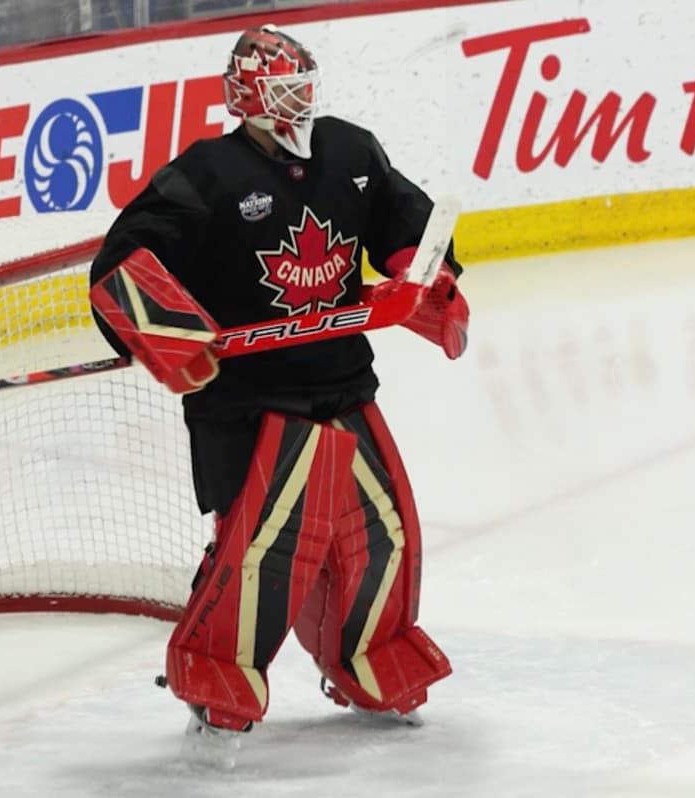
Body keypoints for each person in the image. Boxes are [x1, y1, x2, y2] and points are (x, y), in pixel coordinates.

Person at [89, 23, 468, 739]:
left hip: (341, 379)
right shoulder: (205, 175)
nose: (301, 102)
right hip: (245, 399)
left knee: (386, 533)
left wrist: (426, 278)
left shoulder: (350, 151)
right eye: (285, 90)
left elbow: (401, 219)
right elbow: (123, 259)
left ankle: (371, 651)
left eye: (305, 87)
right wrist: (171, 334)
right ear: (248, 97)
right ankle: (216, 667)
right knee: (262, 546)